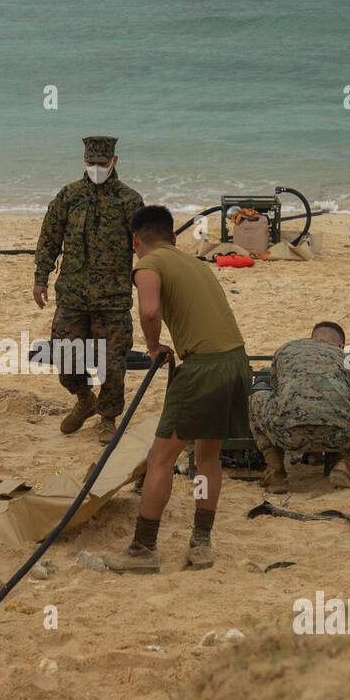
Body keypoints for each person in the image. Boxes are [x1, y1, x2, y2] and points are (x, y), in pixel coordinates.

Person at [103, 205, 251, 574]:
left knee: (159, 459)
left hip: (202, 370)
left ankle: (142, 550)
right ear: (172, 236)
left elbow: (150, 311)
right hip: (236, 363)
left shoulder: (148, 265)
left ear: (136, 240)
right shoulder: (195, 264)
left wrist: (154, 347)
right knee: (206, 459)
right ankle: (201, 544)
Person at [33, 135, 145, 444]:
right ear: (84, 162)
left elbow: (145, 248)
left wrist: (153, 280)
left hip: (113, 299)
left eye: (101, 164)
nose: (96, 169)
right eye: (91, 163)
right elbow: (49, 239)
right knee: (64, 353)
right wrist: (40, 277)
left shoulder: (130, 201)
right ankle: (84, 398)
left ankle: (107, 418)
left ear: (114, 162)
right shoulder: (69, 196)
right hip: (72, 296)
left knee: (113, 361)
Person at [249, 323, 350, 491]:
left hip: (287, 434)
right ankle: (347, 465)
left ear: (312, 338)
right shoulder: (349, 359)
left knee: (255, 400)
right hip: (341, 436)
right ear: (341, 345)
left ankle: (275, 469)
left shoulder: (286, 349)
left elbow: (274, 389)